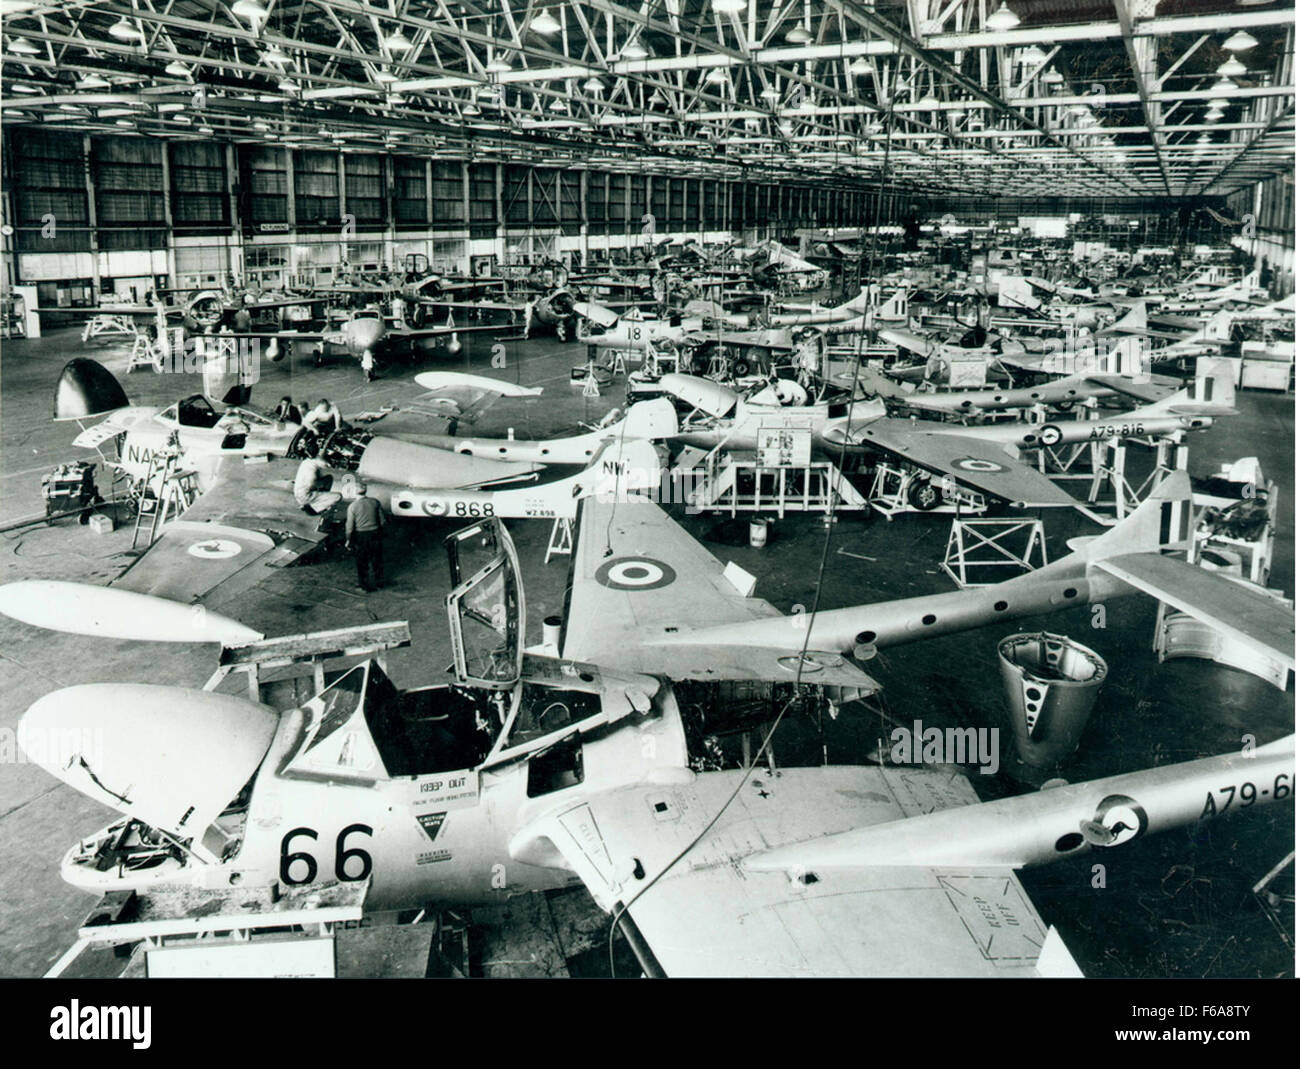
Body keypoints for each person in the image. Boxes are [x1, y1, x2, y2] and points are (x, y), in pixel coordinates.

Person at [345, 483, 385, 592]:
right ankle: (380, 583)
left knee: (362, 562)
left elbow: (349, 527)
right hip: (375, 533)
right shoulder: (375, 502)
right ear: (365, 491)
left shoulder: (352, 506)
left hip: (362, 536)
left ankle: (364, 586)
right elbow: (382, 520)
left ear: (354, 492)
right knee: (377, 560)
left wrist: (348, 540)